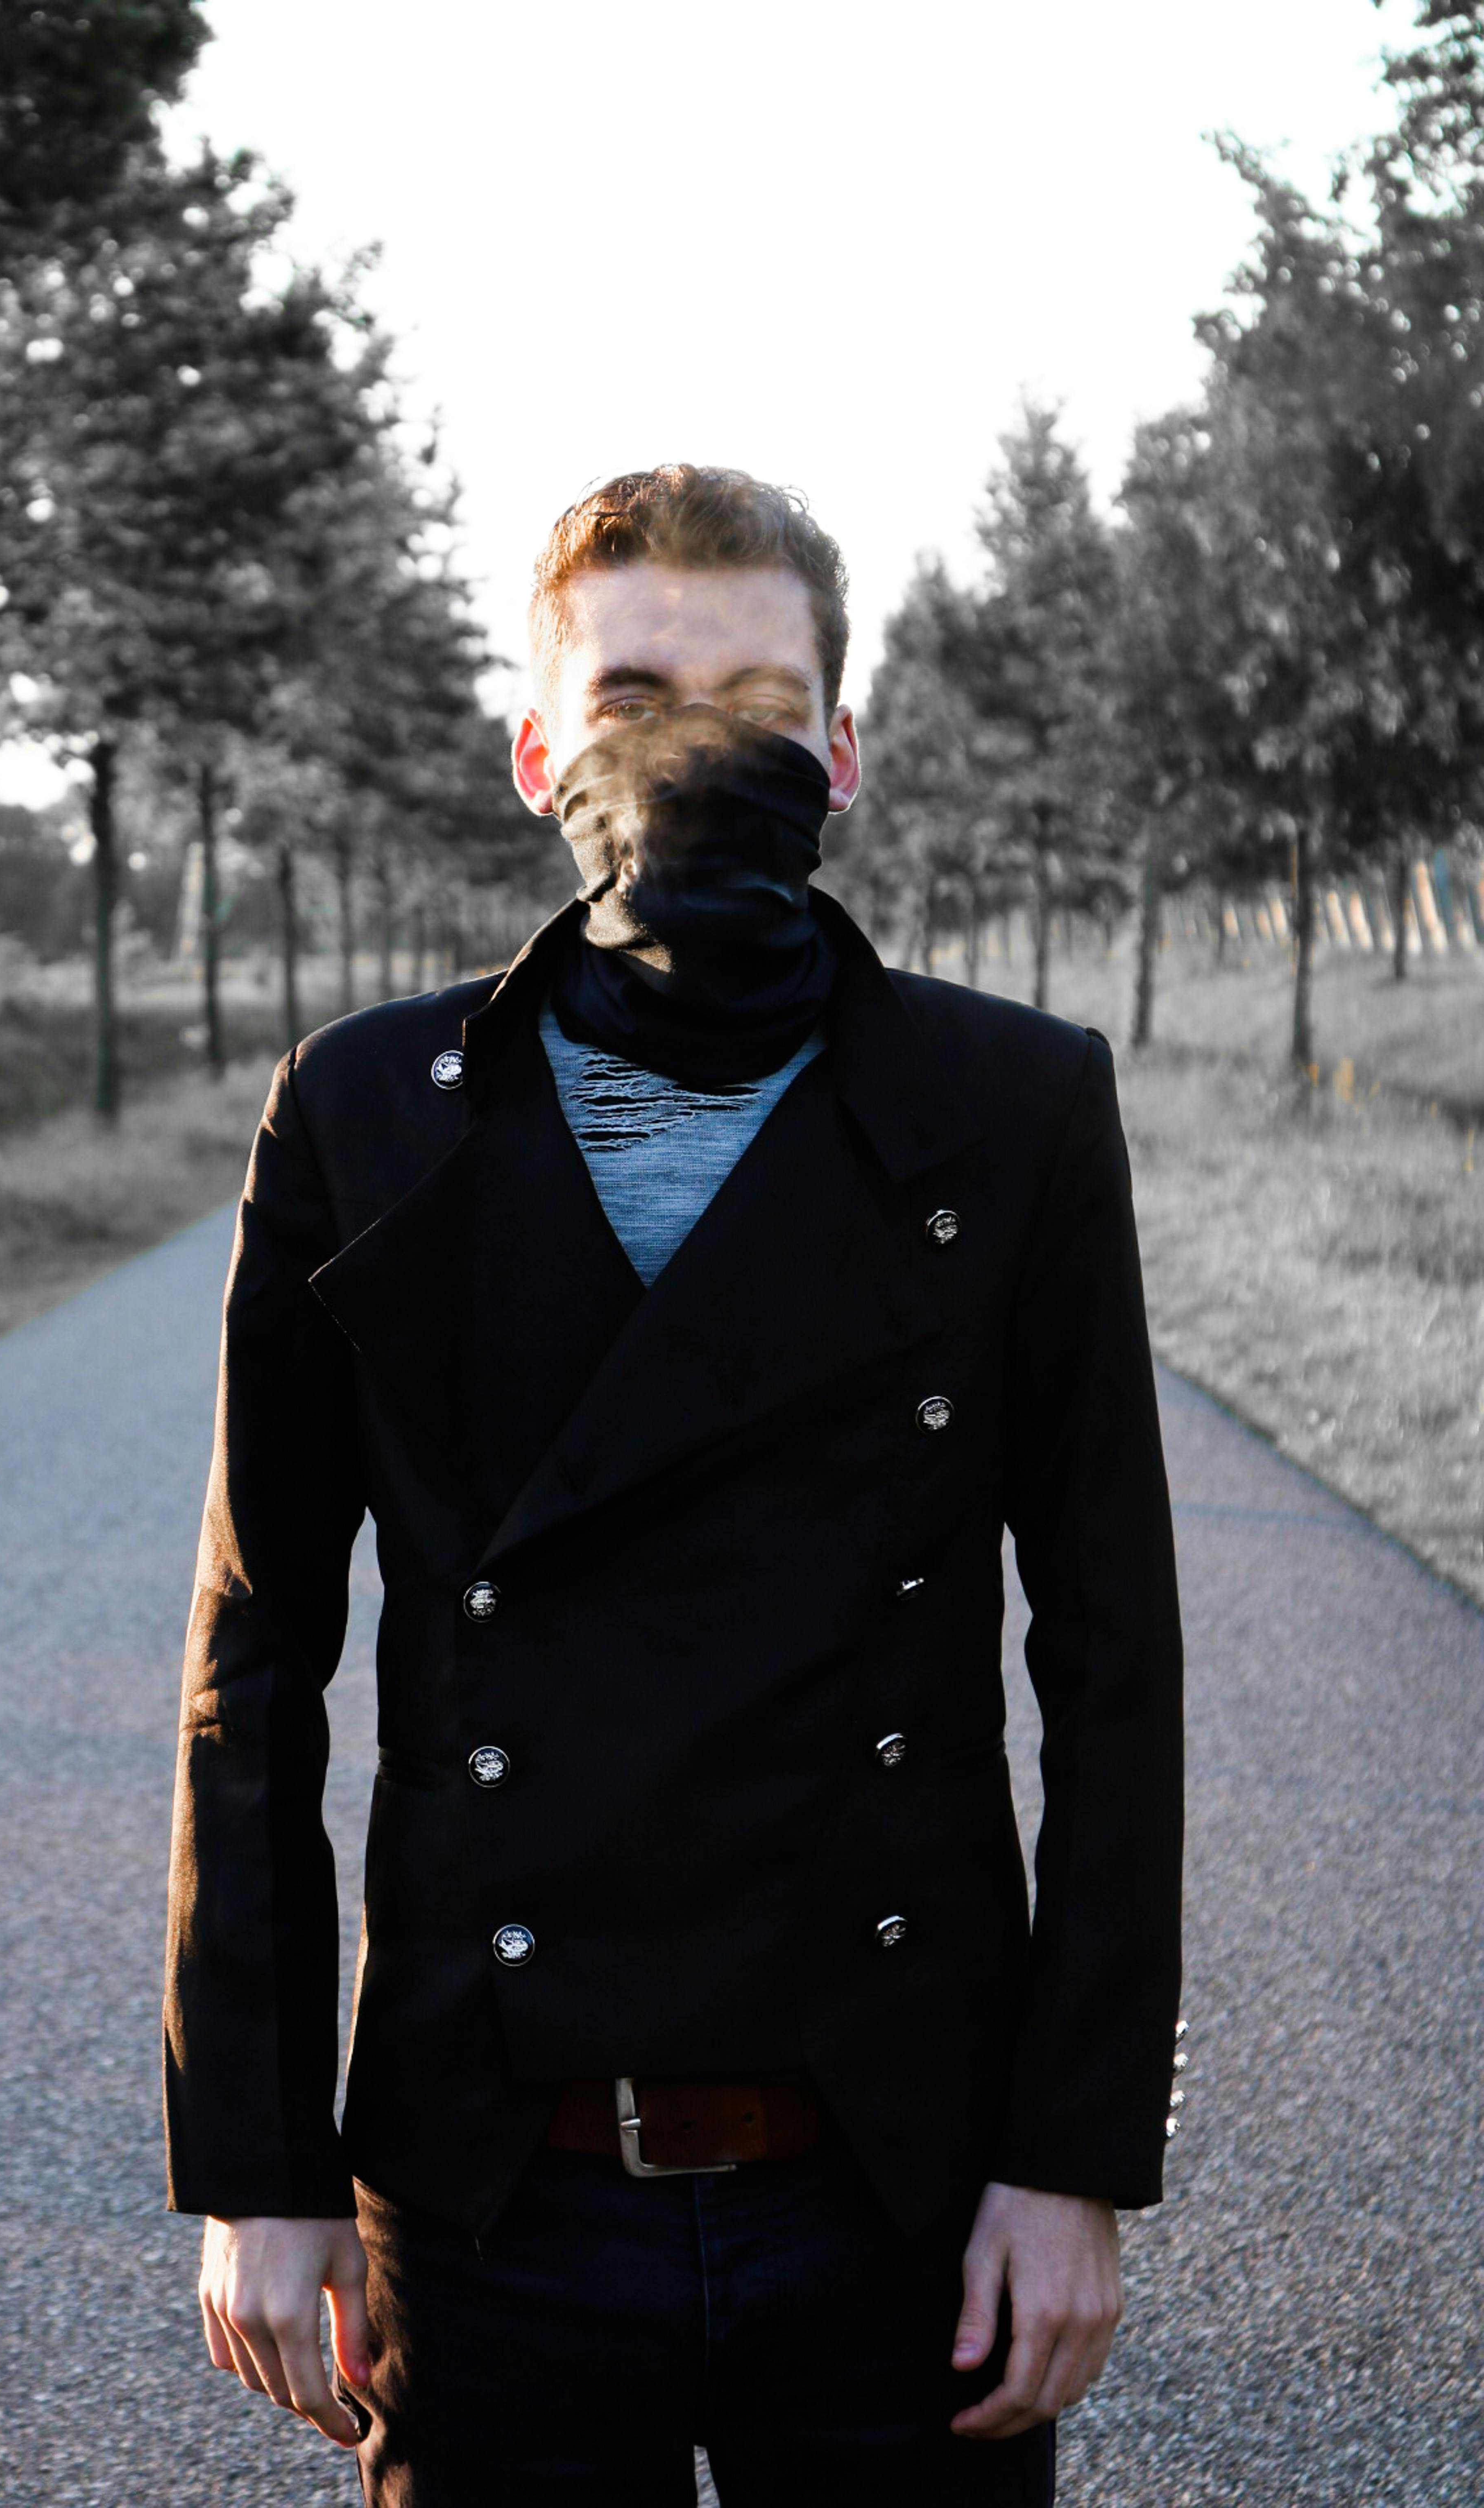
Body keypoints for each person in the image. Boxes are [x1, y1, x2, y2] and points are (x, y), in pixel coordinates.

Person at [164, 463, 1185, 2506]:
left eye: (760, 696)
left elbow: (1113, 1661)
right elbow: (255, 1666)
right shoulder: (365, 1109)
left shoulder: (1014, 1105)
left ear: (842, 750)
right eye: (635, 691)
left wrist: (1071, 2160)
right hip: (487, 2187)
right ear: (539, 751)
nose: (698, 745)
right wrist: (260, 2171)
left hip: (897, 2178)